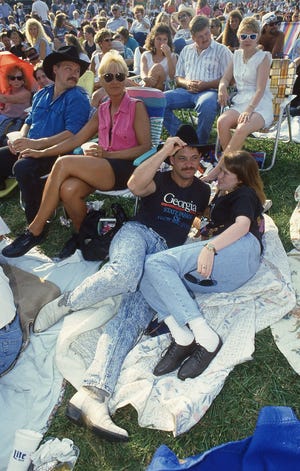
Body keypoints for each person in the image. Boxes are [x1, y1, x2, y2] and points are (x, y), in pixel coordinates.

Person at [30, 124, 211, 441]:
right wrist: (162, 152)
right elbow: (134, 184)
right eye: (181, 157)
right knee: (124, 275)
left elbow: (198, 216)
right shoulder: (158, 175)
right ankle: (66, 302)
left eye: (193, 158)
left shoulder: (202, 190)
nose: (187, 163)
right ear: (172, 157)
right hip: (137, 236)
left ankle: (92, 396)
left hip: (163, 260)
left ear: (199, 160)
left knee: (132, 319)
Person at [2, 51, 151, 258]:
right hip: (102, 167)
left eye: (120, 76)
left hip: (126, 168)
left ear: (126, 79)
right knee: (68, 189)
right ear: (102, 81)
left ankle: (34, 230)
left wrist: (107, 155)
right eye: (108, 77)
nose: (115, 81)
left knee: (63, 163)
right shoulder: (103, 109)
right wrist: (41, 152)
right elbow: (75, 139)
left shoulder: (136, 106)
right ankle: (85, 235)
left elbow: (146, 147)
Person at [140, 150, 266, 380]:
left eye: (225, 173)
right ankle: (182, 337)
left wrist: (210, 248)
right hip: (225, 274)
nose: (218, 175)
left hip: (240, 250)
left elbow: (242, 226)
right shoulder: (223, 195)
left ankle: (207, 339)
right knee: (145, 276)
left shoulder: (245, 194)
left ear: (240, 177)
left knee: (157, 263)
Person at [0, 45, 91, 219]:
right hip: (30, 146)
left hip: (56, 152)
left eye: (77, 70)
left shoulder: (78, 97)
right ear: (55, 69)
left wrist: (36, 145)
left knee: (23, 167)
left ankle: (36, 221)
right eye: (68, 68)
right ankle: (34, 191)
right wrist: (20, 138)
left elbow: (72, 134)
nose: (74, 74)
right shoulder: (42, 94)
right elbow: (29, 121)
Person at [163, 15, 232, 144]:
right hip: (186, 91)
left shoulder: (222, 51)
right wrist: (187, 83)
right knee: (160, 100)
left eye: (207, 33)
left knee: (207, 104)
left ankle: (199, 144)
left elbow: (229, 79)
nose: (205, 38)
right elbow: (178, 78)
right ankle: (183, 136)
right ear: (193, 37)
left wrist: (206, 85)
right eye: (200, 36)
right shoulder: (186, 50)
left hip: (210, 92)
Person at [217, 17, 273, 154]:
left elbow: (260, 89)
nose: (247, 39)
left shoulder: (263, 57)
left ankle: (223, 166)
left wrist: (249, 110)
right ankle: (233, 163)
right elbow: (225, 78)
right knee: (222, 122)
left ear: (258, 37)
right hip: (241, 101)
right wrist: (222, 87)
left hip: (259, 104)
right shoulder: (235, 56)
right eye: (244, 36)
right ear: (238, 36)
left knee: (242, 127)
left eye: (252, 36)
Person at [140, 24, 177, 91]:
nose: (161, 42)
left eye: (165, 39)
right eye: (158, 39)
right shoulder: (146, 55)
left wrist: (168, 56)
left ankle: (146, 94)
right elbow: (143, 71)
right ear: (153, 39)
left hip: (163, 87)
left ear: (168, 41)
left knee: (157, 67)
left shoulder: (172, 56)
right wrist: (146, 78)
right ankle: (146, 93)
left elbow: (172, 76)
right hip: (147, 84)